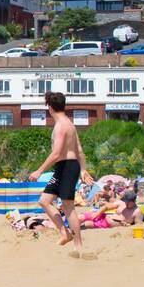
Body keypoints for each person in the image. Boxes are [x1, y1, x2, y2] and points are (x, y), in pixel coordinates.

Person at [30, 91, 93, 251]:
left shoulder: (61, 126)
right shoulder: (70, 124)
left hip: (67, 167)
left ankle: (78, 245)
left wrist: (39, 171)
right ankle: (65, 233)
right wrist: (83, 169)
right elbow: (79, 149)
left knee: (68, 205)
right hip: (63, 167)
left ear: (49, 107)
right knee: (44, 201)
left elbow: (57, 153)